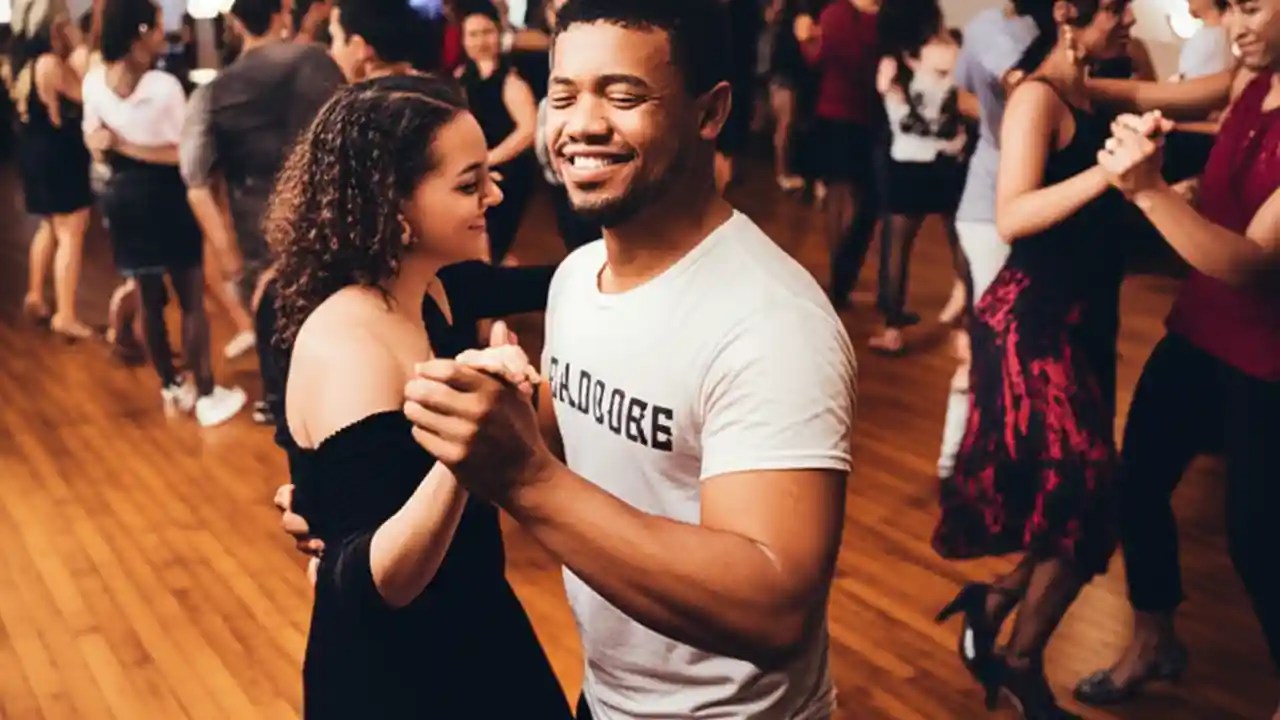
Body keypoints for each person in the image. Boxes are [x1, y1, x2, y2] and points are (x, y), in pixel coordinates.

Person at [401, 0, 857, 717]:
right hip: (608, 699)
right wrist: (354, 513)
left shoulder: (772, 323)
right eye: (563, 95)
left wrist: (524, 476)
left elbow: (775, 611)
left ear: (710, 114)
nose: (581, 124)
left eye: (623, 95)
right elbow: (553, 448)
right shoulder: (578, 279)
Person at [268, 73, 571, 719]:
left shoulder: (435, 290)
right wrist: (468, 433)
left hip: (473, 623)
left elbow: (550, 282)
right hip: (399, 677)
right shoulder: (352, 345)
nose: (494, 193)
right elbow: (374, 587)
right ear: (393, 205)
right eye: (469, 184)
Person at [931, 0, 1138, 716]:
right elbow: (1015, 213)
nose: (1130, 22)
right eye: (1116, 8)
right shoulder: (1036, 98)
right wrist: (1114, 173)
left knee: (1080, 501)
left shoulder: (1091, 87)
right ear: (1068, 14)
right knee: (1088, 493)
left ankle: (993, 604)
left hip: (1080, 320)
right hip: (1035, 323)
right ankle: (1018, 661)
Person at [1073, 1, 1280, 713]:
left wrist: (1151, 192)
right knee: (1135, 485)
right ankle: (1153, 638)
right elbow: (1136, 93)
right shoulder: (1248, 82)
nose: (1235, 22)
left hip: (1267, 356)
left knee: (1258, 541)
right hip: (1197, 330)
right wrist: (1053, 76)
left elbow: (1254, 261)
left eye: (1252, 5)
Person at [179, 0, 344, 427]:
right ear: (281, 15)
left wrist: (226, 249)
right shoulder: (316, 62)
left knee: (277, 327)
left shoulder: (212, 93)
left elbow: (196, 183)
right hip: (326, 216)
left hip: (259, 226)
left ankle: (284, 411)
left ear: (235, 22)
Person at [83, 0, 246, 427]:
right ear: (139, 32)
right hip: (164, 196)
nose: (163, 35)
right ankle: (207, 393)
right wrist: (128, 146)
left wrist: (111, 146)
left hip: (121, 196)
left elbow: (93, 138)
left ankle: (171, 386)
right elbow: (179, 154)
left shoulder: (94, 82)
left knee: (150, 297)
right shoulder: (163, 86)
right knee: (191, 297)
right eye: (157, 27)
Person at [935, 1, 1037, 478]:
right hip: (989, 208)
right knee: (990, 342)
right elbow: (972, 96)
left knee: (1007, 341)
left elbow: (965, 97)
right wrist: (1009, 133)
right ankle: (958, 460)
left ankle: (975, 457)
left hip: (1015, 205)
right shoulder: (994, 28)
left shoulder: (1033, 26)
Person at [11, 8, 94, 339]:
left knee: (49, 225)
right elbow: (88, 92)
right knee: (72, 233)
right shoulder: (50, 63)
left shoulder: (20, 66)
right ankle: (66, 314)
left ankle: (34, 294)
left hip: (33, 151)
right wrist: (80, 46)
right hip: (60, 153)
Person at [797, 0, 883, 310]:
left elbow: (816, 60)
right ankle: (841, 278)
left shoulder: (833, 14)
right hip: (869, 117)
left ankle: (838, 277)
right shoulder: (884, 18)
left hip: (832, 112)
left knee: (838, 196)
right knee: (860, 201)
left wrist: (806, 40)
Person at [456, 0, 537, 264]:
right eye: (473, 34)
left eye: (487, 32)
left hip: (509, 166)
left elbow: (529, 130)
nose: (480, 41)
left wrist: (489, 159)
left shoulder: (511, 81)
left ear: (499, 34)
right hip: (477, 164)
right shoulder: (461, 79)